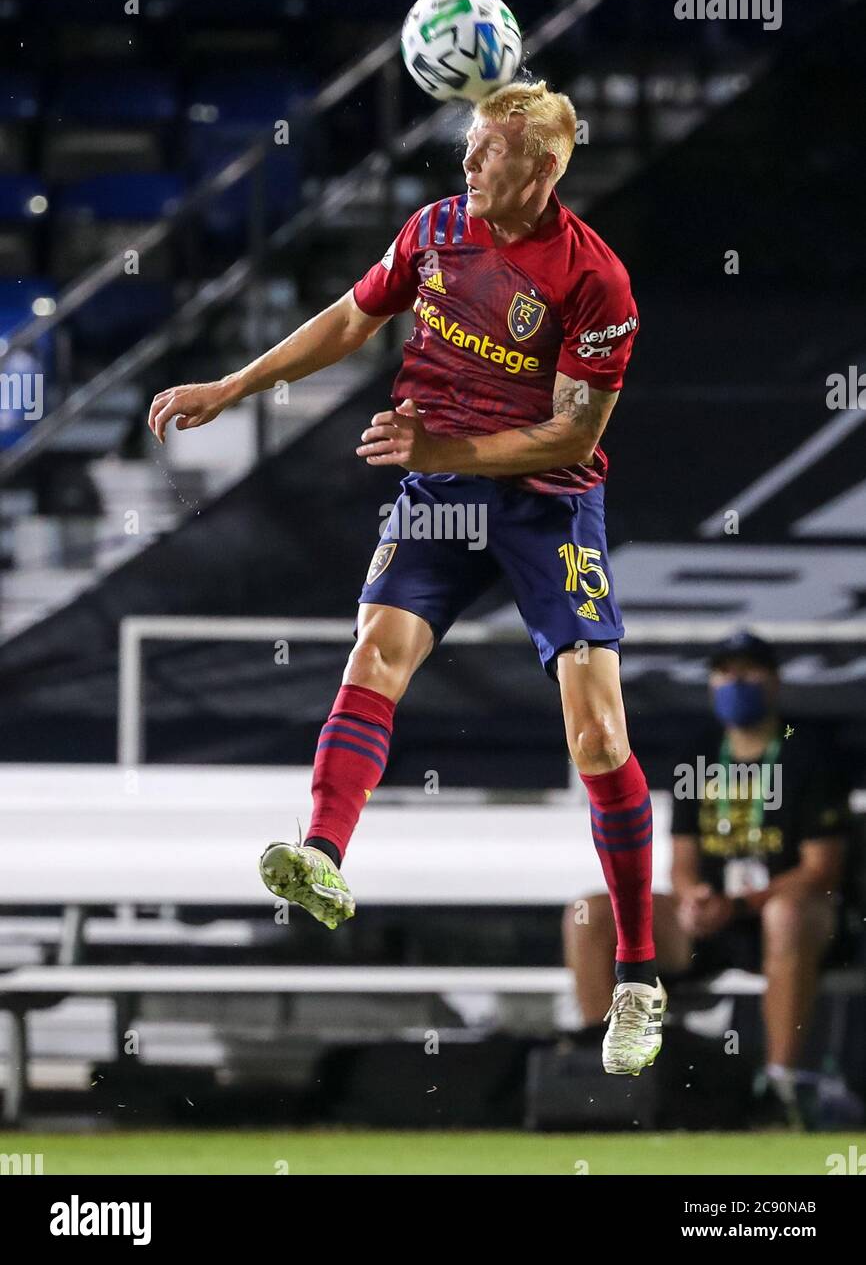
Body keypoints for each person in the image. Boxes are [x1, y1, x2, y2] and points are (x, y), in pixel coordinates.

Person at [148, 79, 664, 1076]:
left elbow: (575, 430)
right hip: (438, 486)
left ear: (543, 168)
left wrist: (450, 447)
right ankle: (323, 858)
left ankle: (637, 976)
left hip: (545, 499)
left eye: (486, 150)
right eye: (467, 145)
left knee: (596, 730)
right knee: (375, 651)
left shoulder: (593, 281)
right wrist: (232, 385)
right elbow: (350, 317)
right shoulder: (433, 228)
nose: (466, 163)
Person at [565, 629, 851, 1120]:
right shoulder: (698, 754)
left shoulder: (808, 752)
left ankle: (778, 1090)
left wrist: (739, 906)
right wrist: (693, 898)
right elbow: (682, 859)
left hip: (786, 919)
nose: (736, 681)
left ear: (775, 682)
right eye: (725, 672)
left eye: (749, 671)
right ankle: (606, 1074)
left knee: (786, 914)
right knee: (591, 914)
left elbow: (821, 870)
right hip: (712, 920)